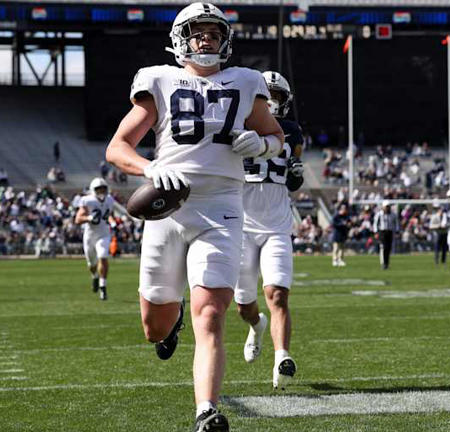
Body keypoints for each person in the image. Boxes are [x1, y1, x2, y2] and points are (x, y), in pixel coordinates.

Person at [104, 3, 284, 430]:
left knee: (212, 312)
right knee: (154, 326)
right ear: (180, 38)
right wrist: (149, 167)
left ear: (226, 40)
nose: (207, 39)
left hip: (221, 204)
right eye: (198, 32)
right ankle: (171, 320)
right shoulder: (160, 79)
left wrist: (262, 146)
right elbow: (117, 148)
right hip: (167, 205)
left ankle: (207, 410)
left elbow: (277, 136)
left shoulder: (245, 82)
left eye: (213, 32)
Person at [235, 70, 303, 390]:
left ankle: (282, 357)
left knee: (277, 294)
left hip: (277, 225)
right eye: (268, 96)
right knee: (244, 305)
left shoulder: (292, 133)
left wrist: (296, 171)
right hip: (242, 227)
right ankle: (256, 326)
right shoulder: (236, 125)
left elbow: (295, 181)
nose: (272, 103)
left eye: (276, 97)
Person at [74, 177, 116, 300]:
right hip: (90, 235)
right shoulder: (87, 200)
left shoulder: (109, 200)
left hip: (103, 234)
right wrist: (89, 218)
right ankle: (95, 277)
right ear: (93, 190)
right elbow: (77, 219)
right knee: (92, 264)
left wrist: (112, 222)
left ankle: (103, 287)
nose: (102, 191)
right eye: (99, 189)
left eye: (103, 188)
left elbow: (108, 216)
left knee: (103, 257)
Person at [373, 201, 398, 270]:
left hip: (389, 232)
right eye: (386, 207)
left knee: (388, 248)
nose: (387, 208)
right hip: (382, 232)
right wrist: (376, 232)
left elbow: (396, 223)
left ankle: (387, 263)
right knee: (383, 247)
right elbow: (375, 223)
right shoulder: (379, 214)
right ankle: (383, 263)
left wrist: (396, 232)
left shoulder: (393, 214)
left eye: (388, 207)